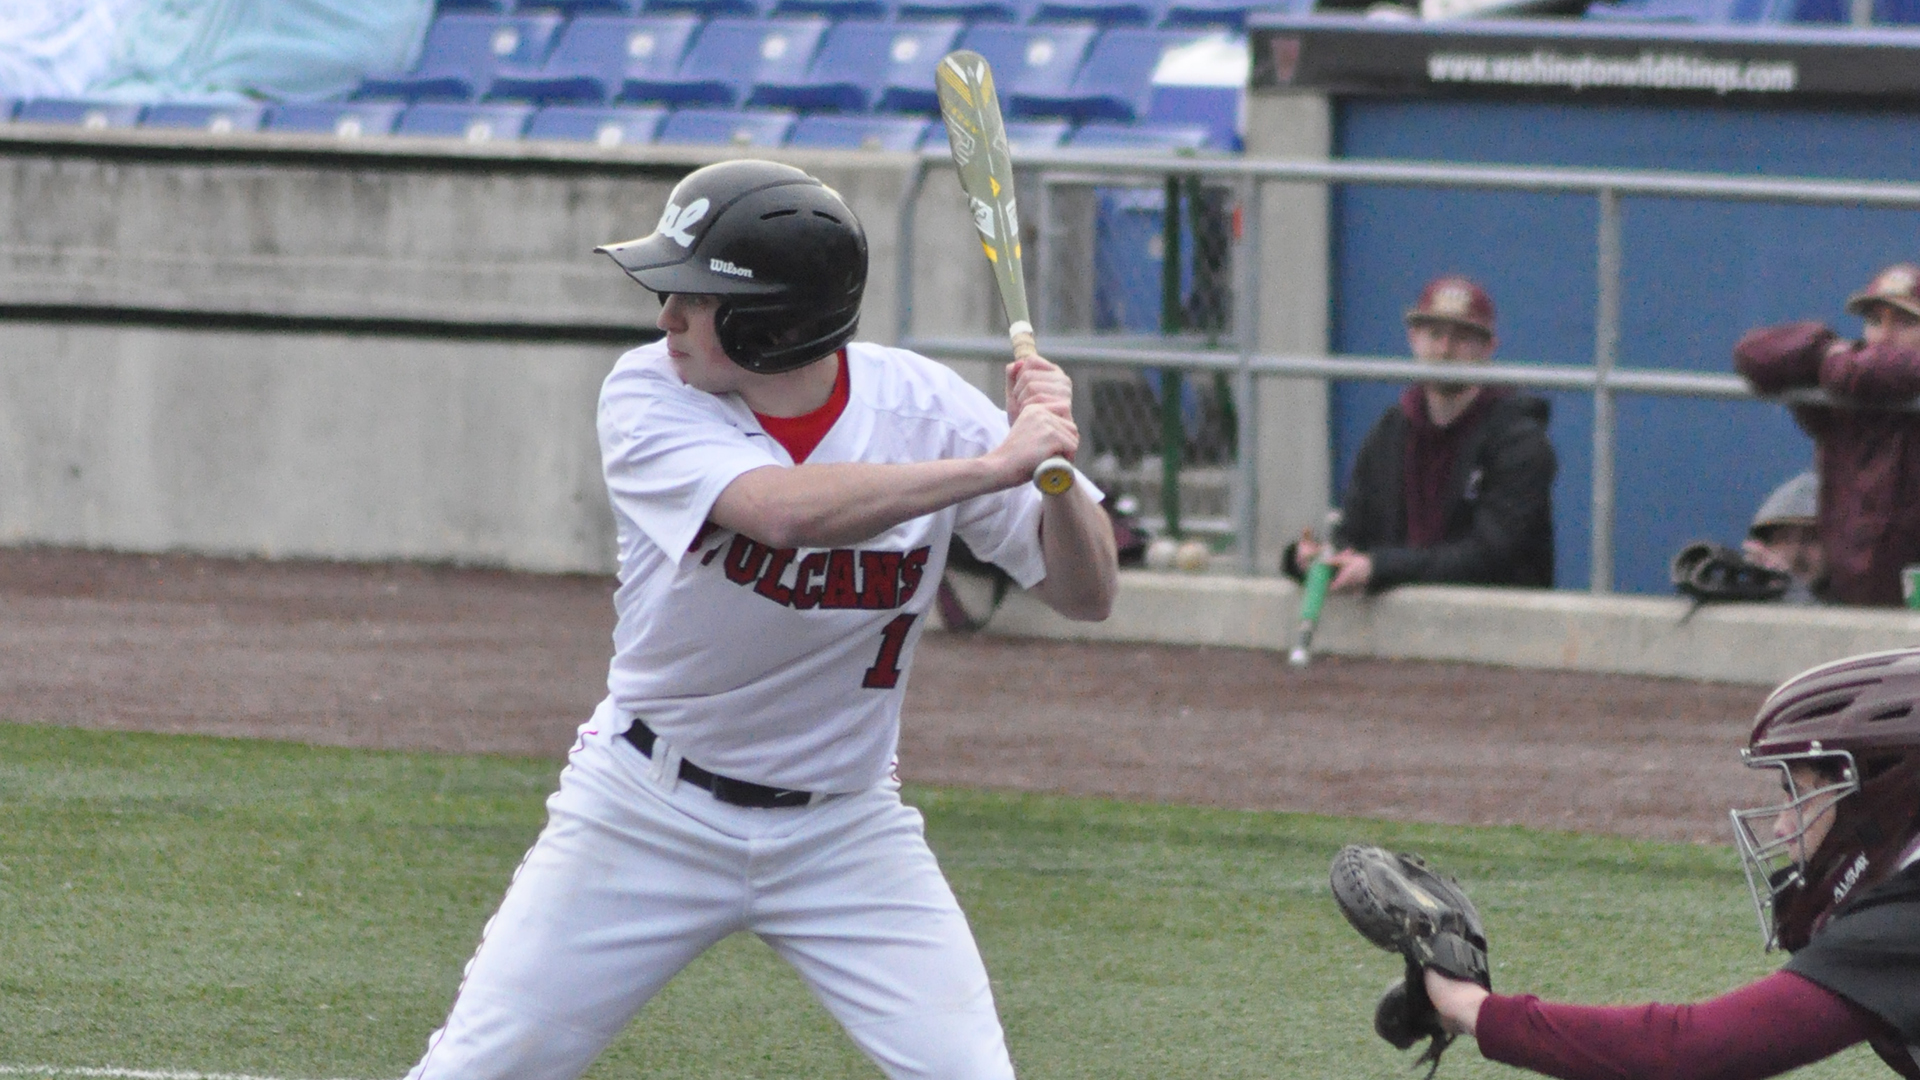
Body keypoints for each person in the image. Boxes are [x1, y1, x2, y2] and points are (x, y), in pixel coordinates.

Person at [402, 160, 1119, 1080]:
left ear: (769, 324)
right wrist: (993, 464)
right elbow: (781, 512)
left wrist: (1053, 473)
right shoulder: (646, 392)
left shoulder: (926, 407)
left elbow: (1088, 592)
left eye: (692, 298)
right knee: (478, 1070)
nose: (666, 318)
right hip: (644, 806)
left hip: (846, 829)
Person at [1420, 646, 1920, 1080]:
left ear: (1884, 790)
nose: (1781, 826)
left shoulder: (1901, 920)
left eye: (1799, 794)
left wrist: (1469, 1008)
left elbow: (1685, 1052)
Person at [1284, 275, 1556, 593]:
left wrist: (1379, 567)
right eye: (1435, 334)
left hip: (1492, 628)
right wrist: (1312, 560)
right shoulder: (1390, 432)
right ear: (1413, 339)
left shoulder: (1518, 441)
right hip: (1397, 627)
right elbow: (1353, 538)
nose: (1444, 350)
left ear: (1488, 348)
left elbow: (1489, 556)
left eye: (1462, 338)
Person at [1735, 263, 1920, 607]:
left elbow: (1881, 368)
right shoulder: (1847, 389)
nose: (1883, 336)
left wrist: (1852, 369)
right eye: (1875, 321)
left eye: (1907, 322)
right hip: (1854, 604)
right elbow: (1754, 354)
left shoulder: (1846, 378)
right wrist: (1826, 353)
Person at [1743, 470, 1826, 604]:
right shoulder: (1740, 607)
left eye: (1811, 538)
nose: (1796, 553)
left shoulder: (1860, 605)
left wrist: (1789, 587)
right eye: (1783, 539)